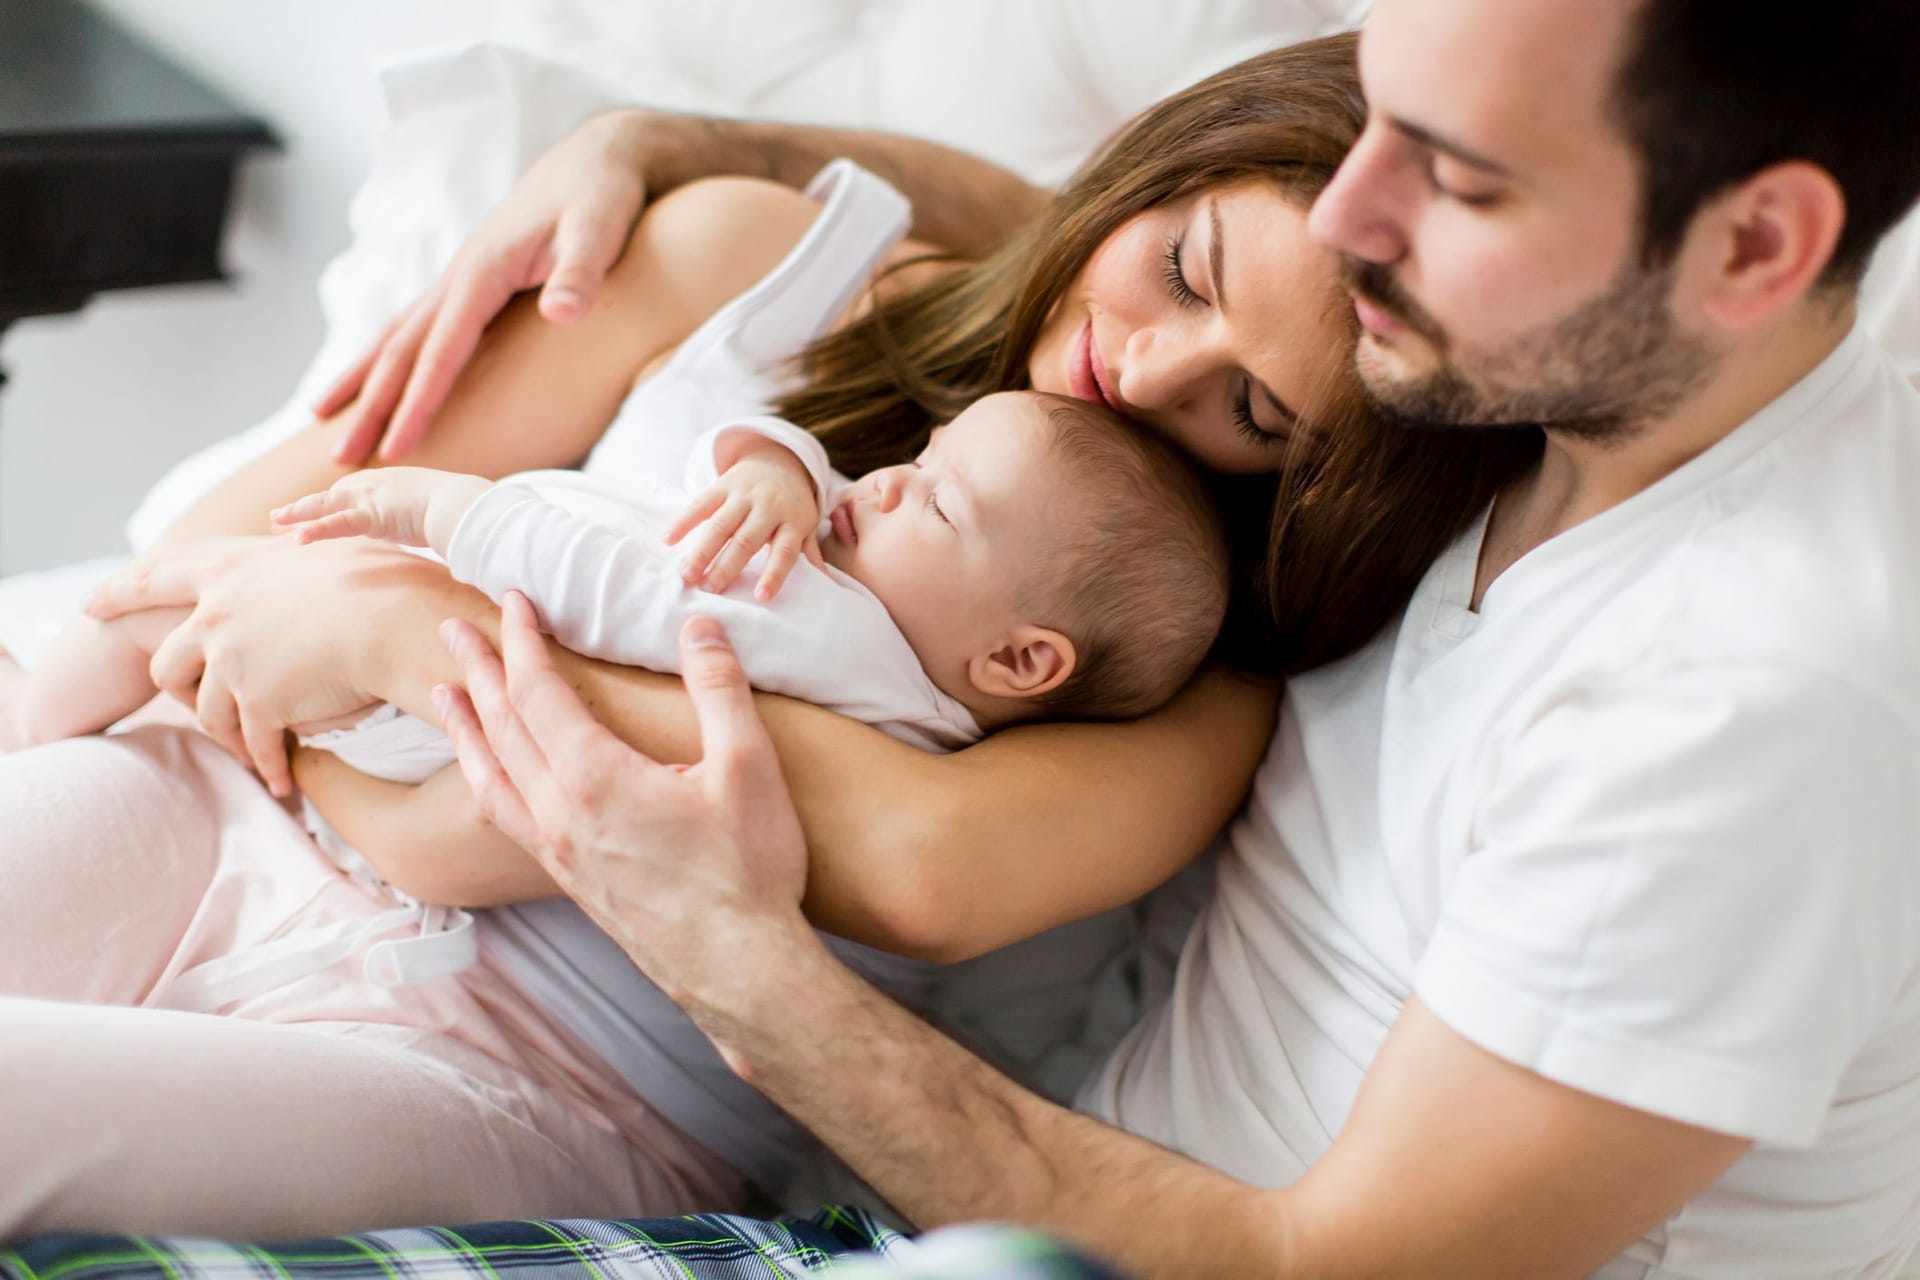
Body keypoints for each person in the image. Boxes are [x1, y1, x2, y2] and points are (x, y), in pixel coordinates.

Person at [103, 0, 1920, 1275]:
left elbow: (1326, 1267)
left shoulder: (1736, 699)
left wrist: (434, 637)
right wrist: (683, 141)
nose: (1359, 219)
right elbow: (1129, 237)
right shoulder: (1495, 372)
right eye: (1377, 112)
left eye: (1456, 176)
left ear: (1756, 246)